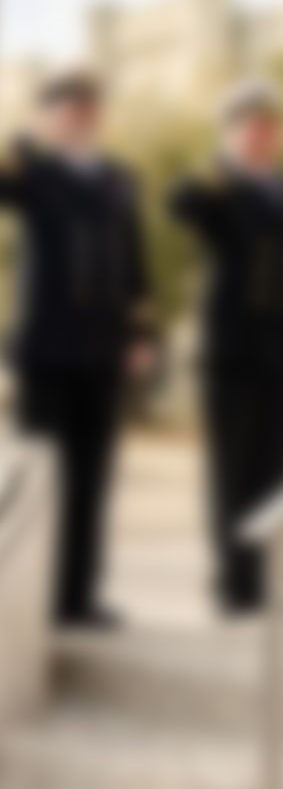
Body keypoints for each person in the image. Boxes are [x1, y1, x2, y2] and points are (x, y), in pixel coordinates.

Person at [0, 69, 154, 626]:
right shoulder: (34, 172)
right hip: (46, 353)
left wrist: (140, 336)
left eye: (87, 109)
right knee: (35, 475)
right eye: (67, 110)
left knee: (90, 480)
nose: (80, 118)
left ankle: (75, 600)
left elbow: (134, 266)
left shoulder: (116, 181)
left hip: (102, 358)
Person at [171, 81, 283, 613]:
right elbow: (181, 206)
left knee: (273, 466)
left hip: (282, 353)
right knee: (232, 465)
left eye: (268, 127)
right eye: (250, 128)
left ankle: (263, 575)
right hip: (232, 351)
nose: (261, 136)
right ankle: (234, 580)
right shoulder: (217, 189)